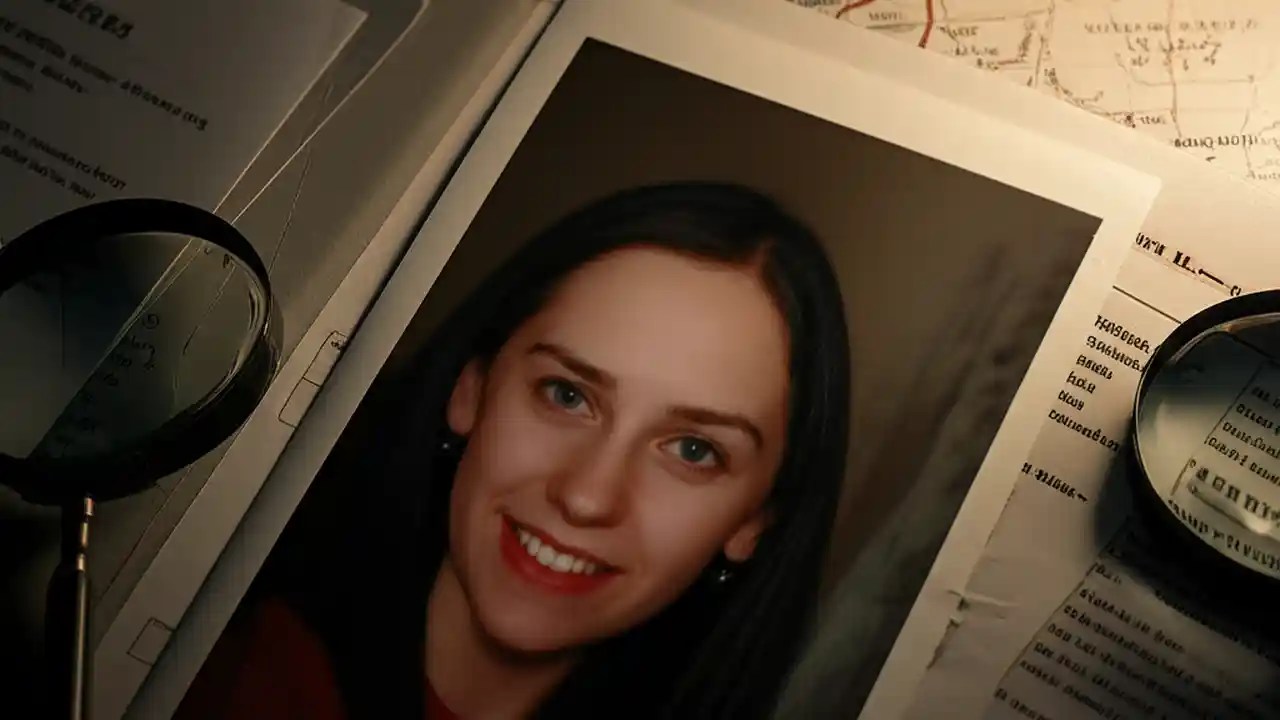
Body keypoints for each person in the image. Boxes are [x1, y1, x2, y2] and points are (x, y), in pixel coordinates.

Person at [176, 182, 851, 719]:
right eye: (566, 395)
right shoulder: (214, 661)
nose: (586, 496)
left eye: (694, 450)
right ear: (471, 390)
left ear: (753, 523)